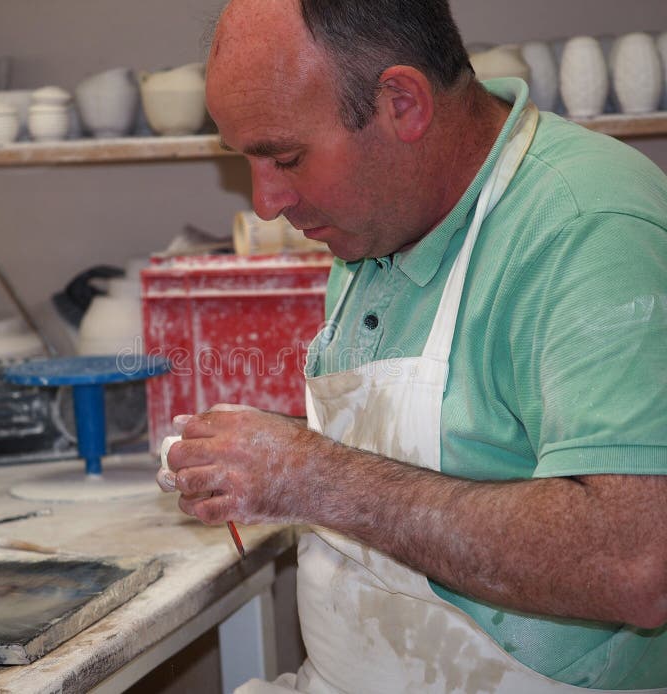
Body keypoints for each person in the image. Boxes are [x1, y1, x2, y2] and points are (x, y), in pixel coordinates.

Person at [158, 0, 667, 691]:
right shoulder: (376, 222)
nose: (267, 200)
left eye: (286, 157)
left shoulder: (587, 228)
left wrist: (312, 478)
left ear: (402, 103)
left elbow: (636, 563)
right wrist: (265, 459)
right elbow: (443, 456)